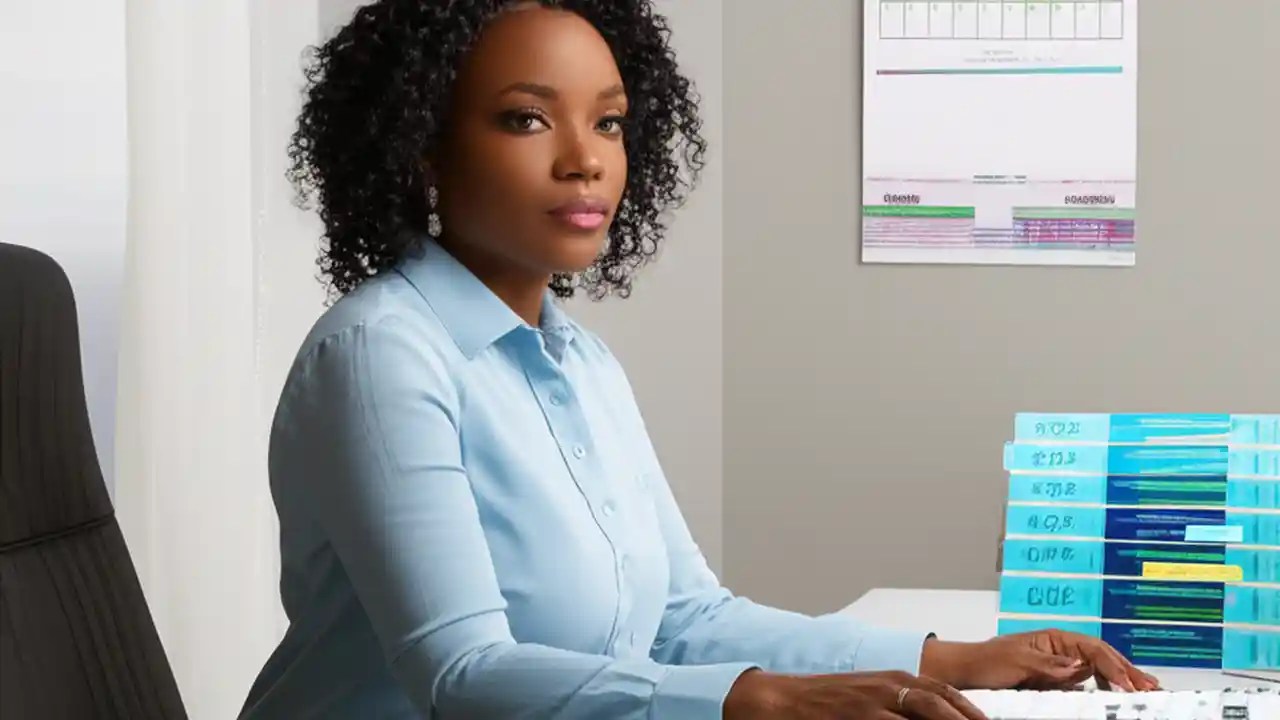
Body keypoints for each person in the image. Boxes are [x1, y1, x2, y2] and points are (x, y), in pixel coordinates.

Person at [238, 1, 1160, 718]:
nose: (585, 161)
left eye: (608, 123)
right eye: (526, 120)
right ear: (421, 152)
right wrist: (760, 700)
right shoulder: (381, 356)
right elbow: (464, 675)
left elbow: (685, 619)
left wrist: (946, 659)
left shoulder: (580, 362)